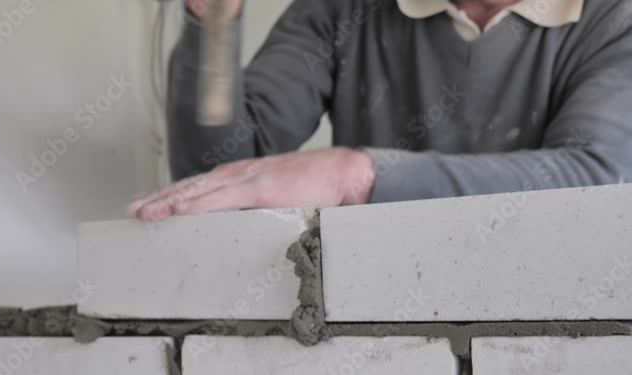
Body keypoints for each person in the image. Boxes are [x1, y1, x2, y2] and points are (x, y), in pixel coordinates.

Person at [129, 0, 632, 221]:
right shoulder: (343, 8)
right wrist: (213, 18)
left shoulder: (614, 18)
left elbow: (597, 177)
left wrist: (357, 176)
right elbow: (213, 176)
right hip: (375, 333)